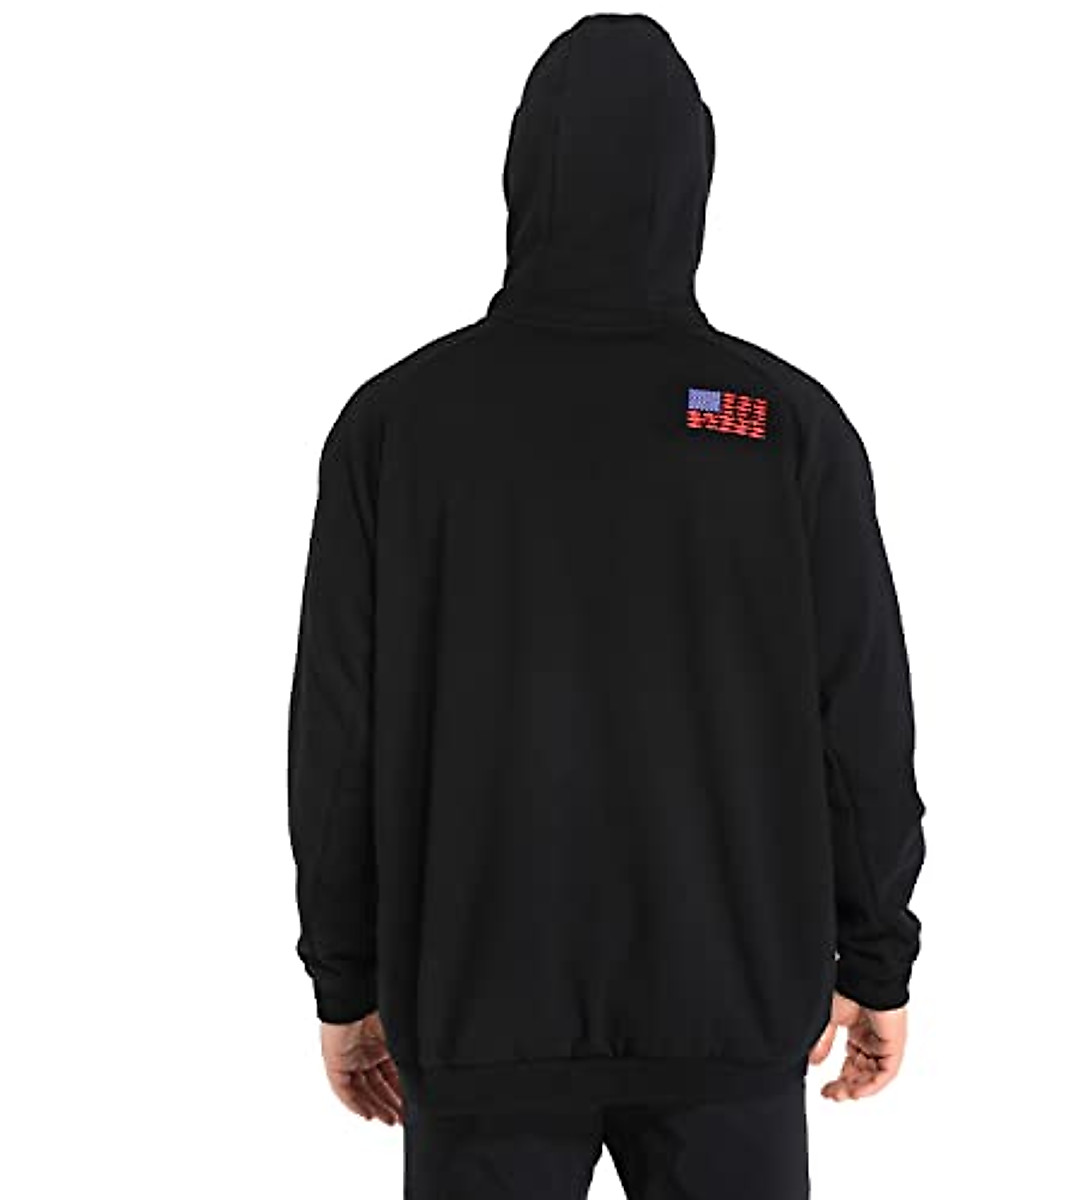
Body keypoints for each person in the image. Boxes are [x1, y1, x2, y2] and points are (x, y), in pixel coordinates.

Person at [287, 12, 926, 1198]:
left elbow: (338, 744)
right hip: (732, 1004)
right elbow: (862, 727)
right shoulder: (778, 424)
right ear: (693, 180)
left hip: (478, 1007)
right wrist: (877, 954)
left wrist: (347, 981)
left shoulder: (400, 425)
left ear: (522, 175)